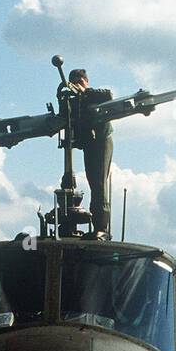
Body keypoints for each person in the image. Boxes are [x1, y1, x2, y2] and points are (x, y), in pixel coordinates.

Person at [67, 68, 115, 239]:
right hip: (89, 143)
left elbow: (109, 95)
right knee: (92, 180)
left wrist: (85, 91)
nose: (77, 85)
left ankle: (102, 228)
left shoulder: (95, 94)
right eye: (74, 82)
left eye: (80, 81)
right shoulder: (74, 102)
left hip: (101, 141)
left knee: (99, 183)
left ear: (86, 81)